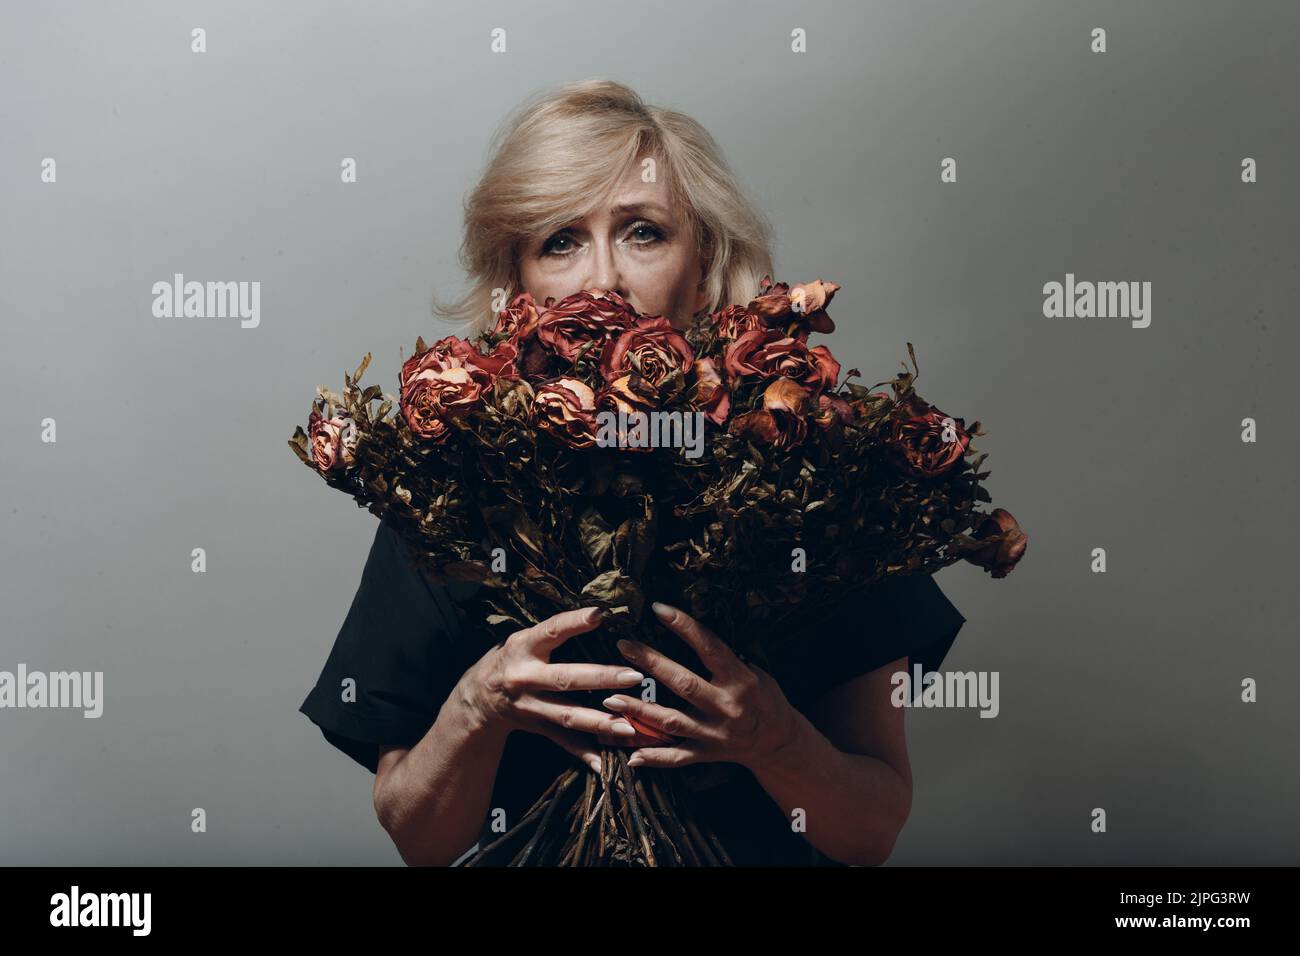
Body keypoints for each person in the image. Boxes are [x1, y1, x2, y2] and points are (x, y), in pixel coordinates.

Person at [298, 79, 967, 866]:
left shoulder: (812, 475)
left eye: (643, 232)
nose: (601, 280)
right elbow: (420, 839)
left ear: (705, 260)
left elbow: (872, 830)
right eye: (559, 241)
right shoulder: (456, 488)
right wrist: (479, 706)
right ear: (516, 285)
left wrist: (775, 739)